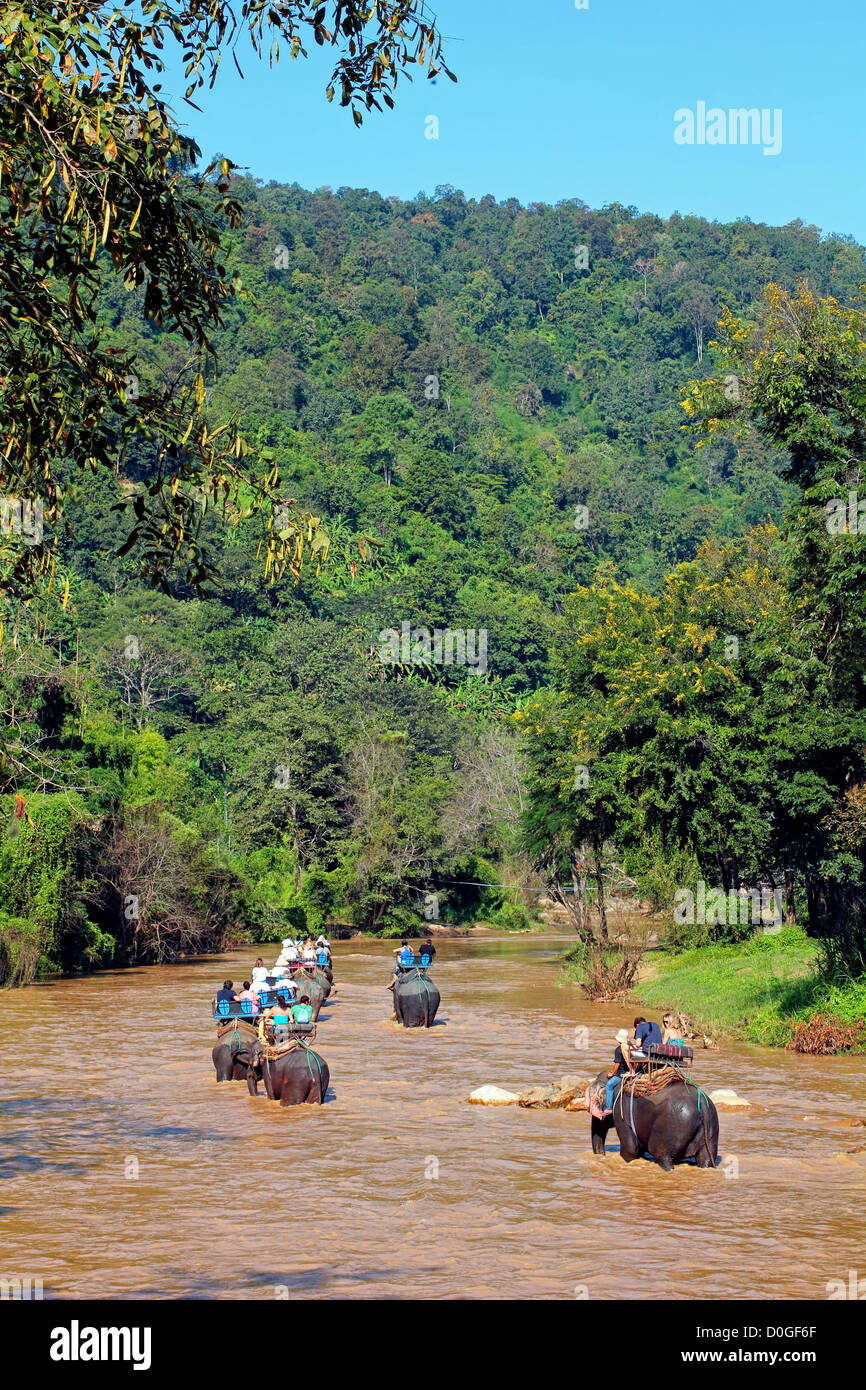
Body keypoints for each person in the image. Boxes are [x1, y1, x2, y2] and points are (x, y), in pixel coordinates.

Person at [603, 1028, 631, 1115]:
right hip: (629, 1071)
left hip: (620, 1074)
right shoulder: (630, 1047)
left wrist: (612, 1073)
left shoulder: (618, 1050)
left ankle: (608, 1108)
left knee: (609, 1086)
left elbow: (617, 1064)